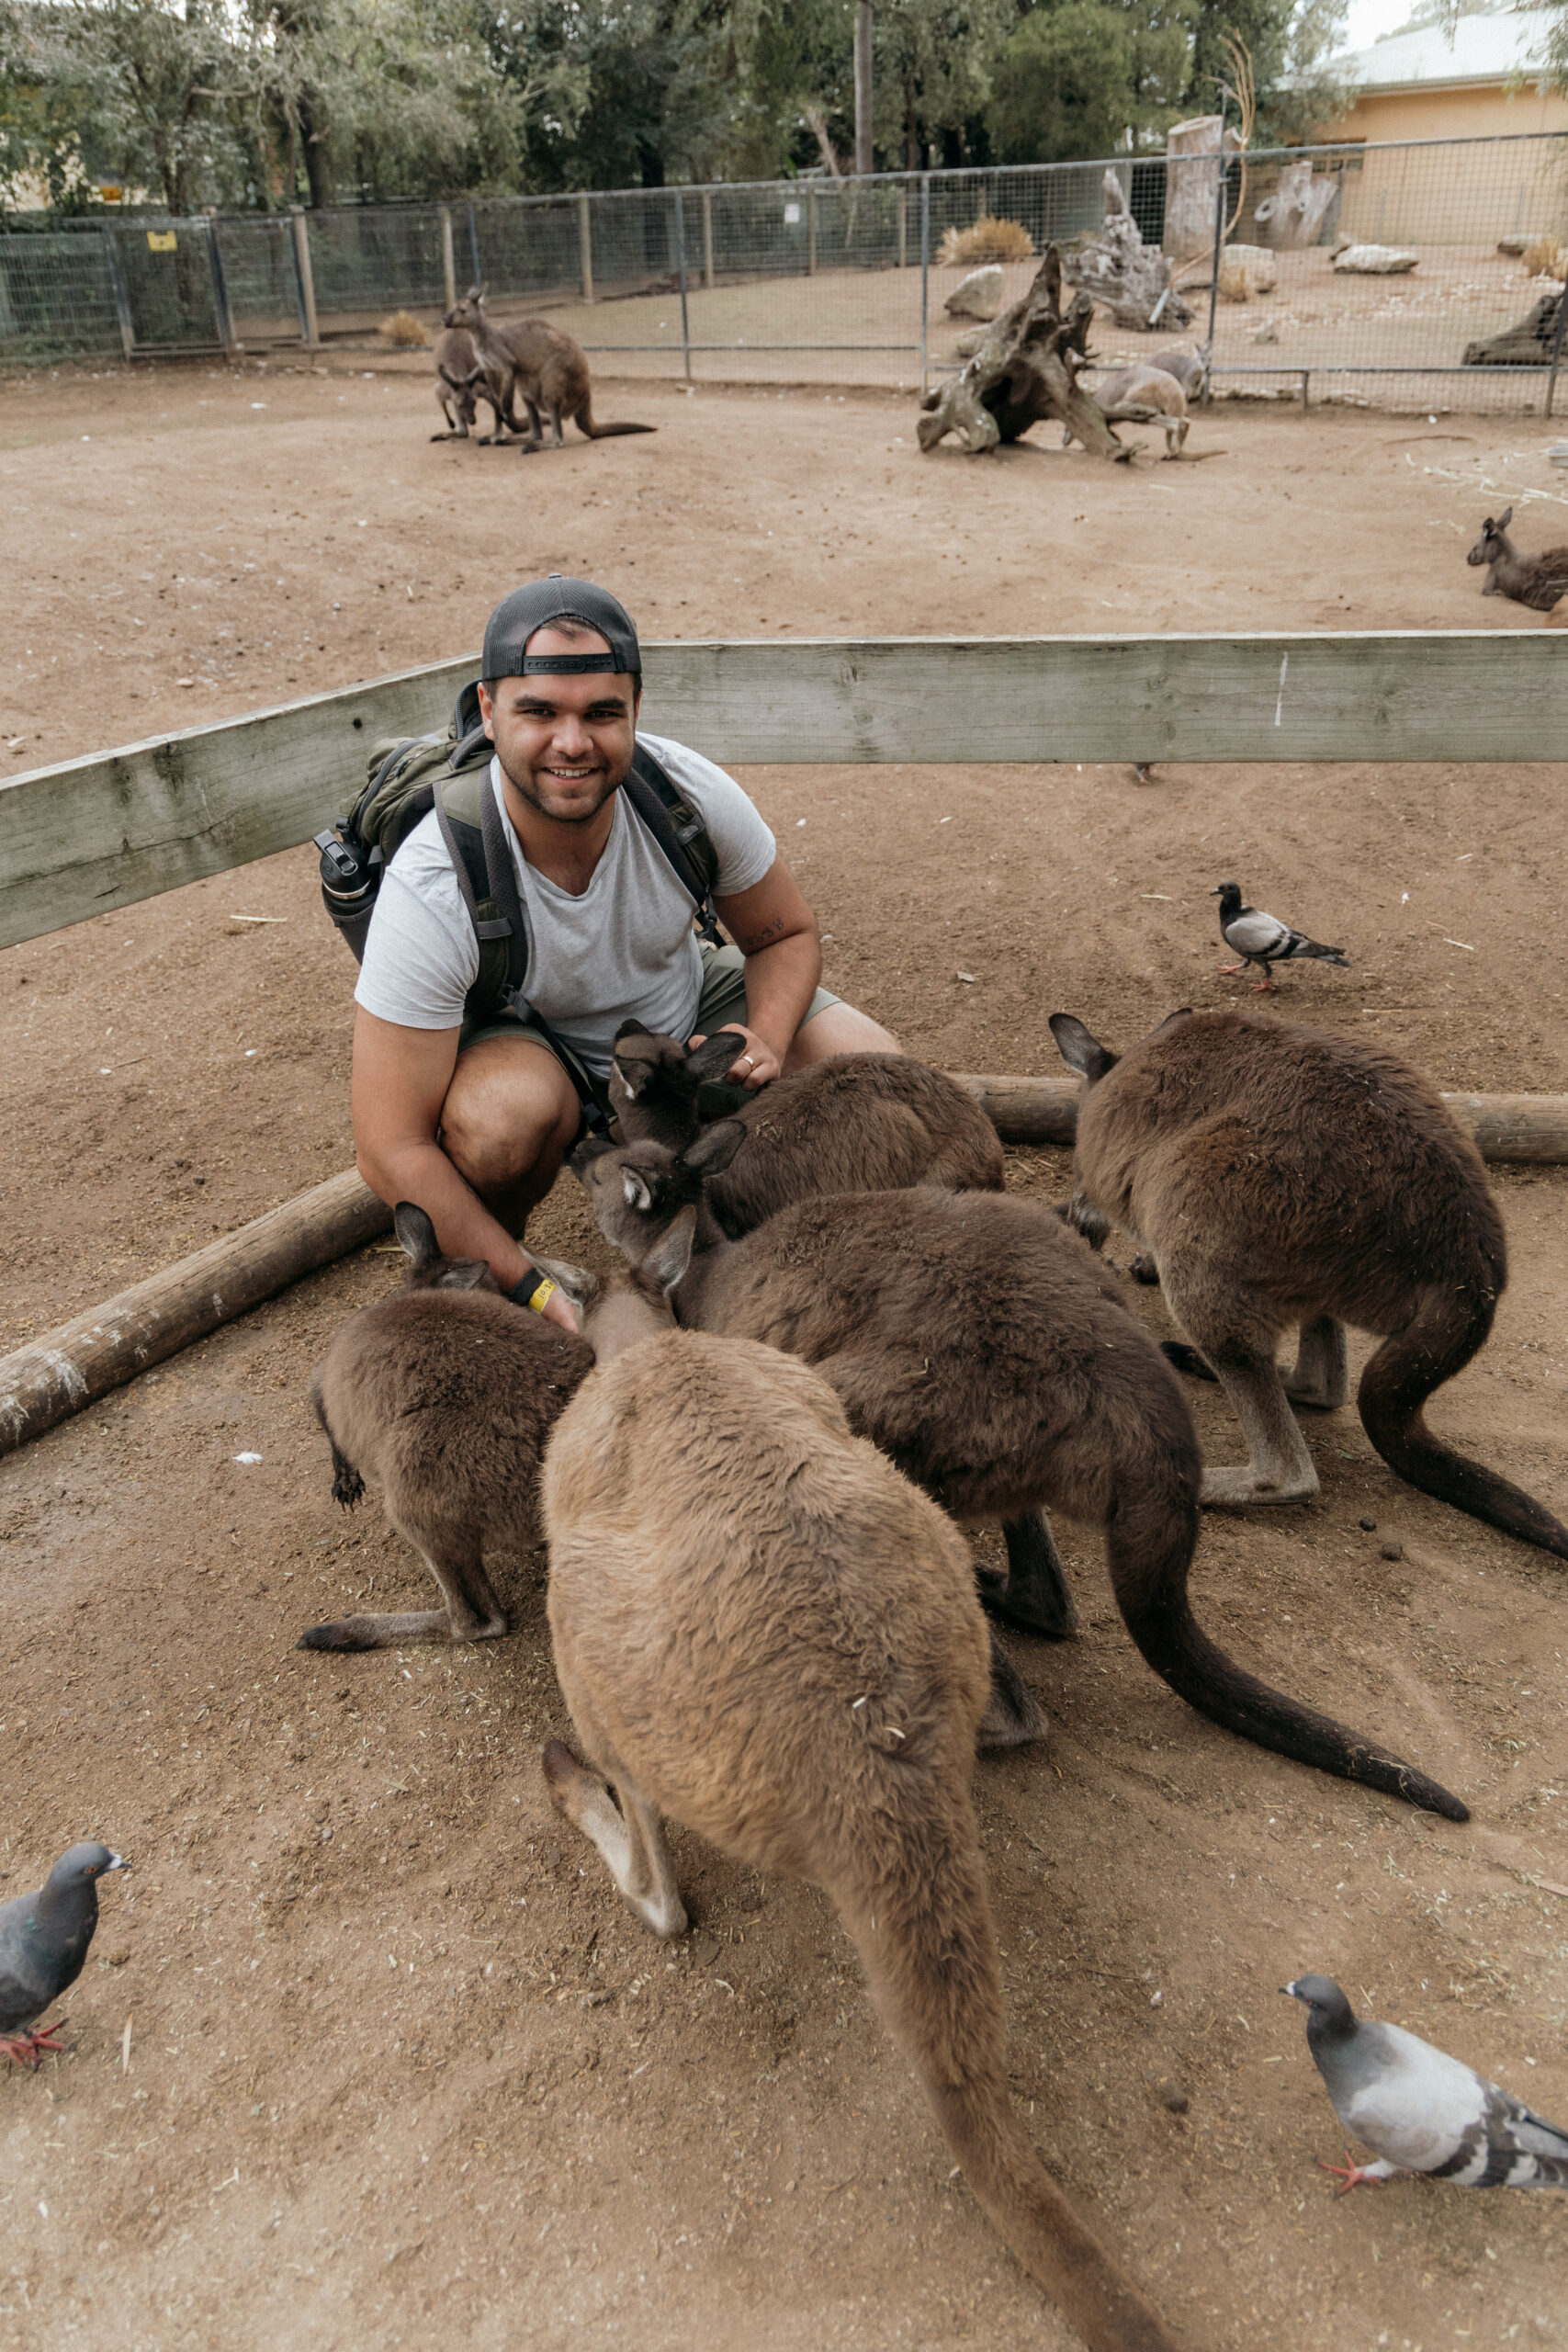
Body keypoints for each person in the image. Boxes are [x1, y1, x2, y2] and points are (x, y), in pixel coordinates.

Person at [352, 575, 899, 1329]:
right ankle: (497, 1276)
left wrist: (766, 1037)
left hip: (676, 1022)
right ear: (488, 710)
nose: (572, 743)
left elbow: (783, 934)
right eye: (539, 712)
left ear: (636, 709)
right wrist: (540, 1293)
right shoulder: (436, 877)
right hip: (532, 1041)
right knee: (498, 1125)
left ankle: (781, 1250)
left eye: (601, 713)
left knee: (875, 1075)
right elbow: (389, 1147)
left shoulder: (684, 795)